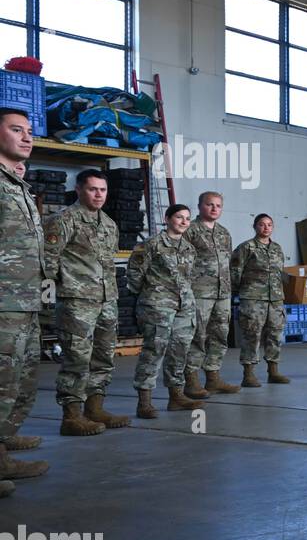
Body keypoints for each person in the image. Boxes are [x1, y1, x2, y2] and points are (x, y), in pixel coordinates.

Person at [46, 168, 131, 435]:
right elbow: (48, 261)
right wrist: (61, 290)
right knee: (76, 359)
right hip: (77, 302)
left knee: (104, 357)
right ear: (80, 189)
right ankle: (71, 416)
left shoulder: (108, 224)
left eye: (103, 190)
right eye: (93, 189)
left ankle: (95, 408)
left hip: (107, 301)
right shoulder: (63, 220)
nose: (98, 195)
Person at [0, 108, 47, 496]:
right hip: (3, 302)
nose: (27, 137)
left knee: (20, 380)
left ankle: (3, 448)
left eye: (29, 131)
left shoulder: (18, 186)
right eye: (16, 130)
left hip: (24, 301)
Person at [128, 203, 201, 418]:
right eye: (179, 217)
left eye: (187, 218)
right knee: (154, 351)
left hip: (184, 307)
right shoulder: (150, 245)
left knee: (180, 351)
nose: (184, 222)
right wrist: (151, 294)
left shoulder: (189, 248)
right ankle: (145, 402)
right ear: (167, 219)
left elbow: (189, 278)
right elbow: (134, 275)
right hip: (157, 306)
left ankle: (176, 396)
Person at [184, 191, 240, 396]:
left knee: (220, 335)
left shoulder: (224, 232)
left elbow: (229, 263)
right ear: (200, 206)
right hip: (199, 292)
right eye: (210, 204)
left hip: (222, 293)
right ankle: (191, 380)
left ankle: (213, 378)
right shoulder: (190, 230)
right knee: (197, 336)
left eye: (218, 205)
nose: (214, 208)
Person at [231, 214, 291, 387]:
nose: (266, 228)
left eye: (269, 225)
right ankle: (248, 374)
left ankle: (273, 371)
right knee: (252, 334)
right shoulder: (246, 247)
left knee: (275, 334)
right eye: (262, 224)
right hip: (253, 299)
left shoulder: (277, 248)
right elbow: (235, 272)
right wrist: (240, 292)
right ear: (255, 226)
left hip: (275, 299)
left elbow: (280, 273)